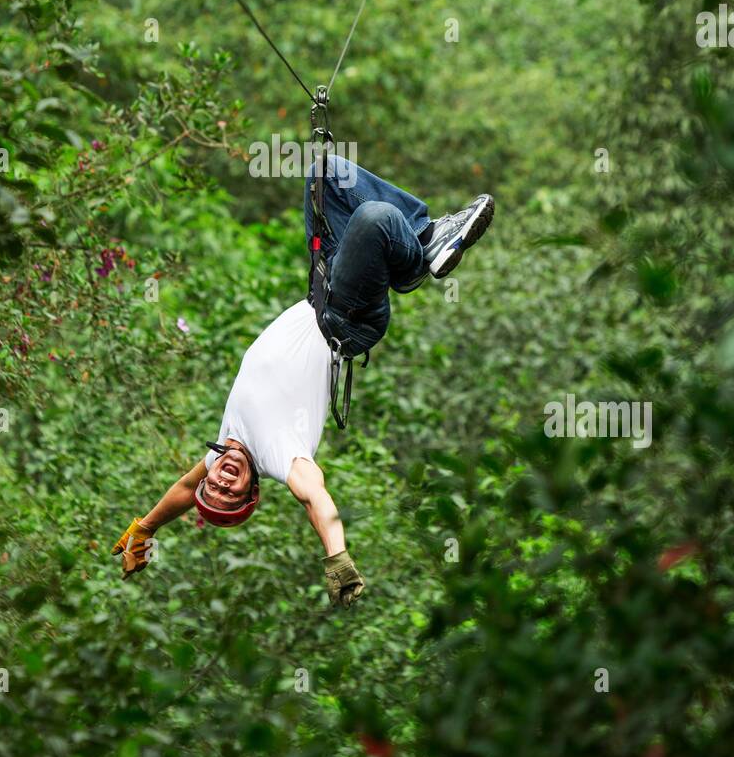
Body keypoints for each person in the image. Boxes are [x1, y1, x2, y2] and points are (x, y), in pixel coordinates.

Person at [113, 156, 494, 607]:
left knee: (327, 173)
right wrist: (338, 558)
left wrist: (146, 527)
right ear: (251, 491)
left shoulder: (225, 443)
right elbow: (316, 499)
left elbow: (181, 491)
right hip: (344, 319)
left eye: (212, 485)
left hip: (323, 290)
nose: (219, 483)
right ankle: (417, 258)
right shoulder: (278, 457)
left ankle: (427, 236)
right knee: (375, 220)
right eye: (228, 494)